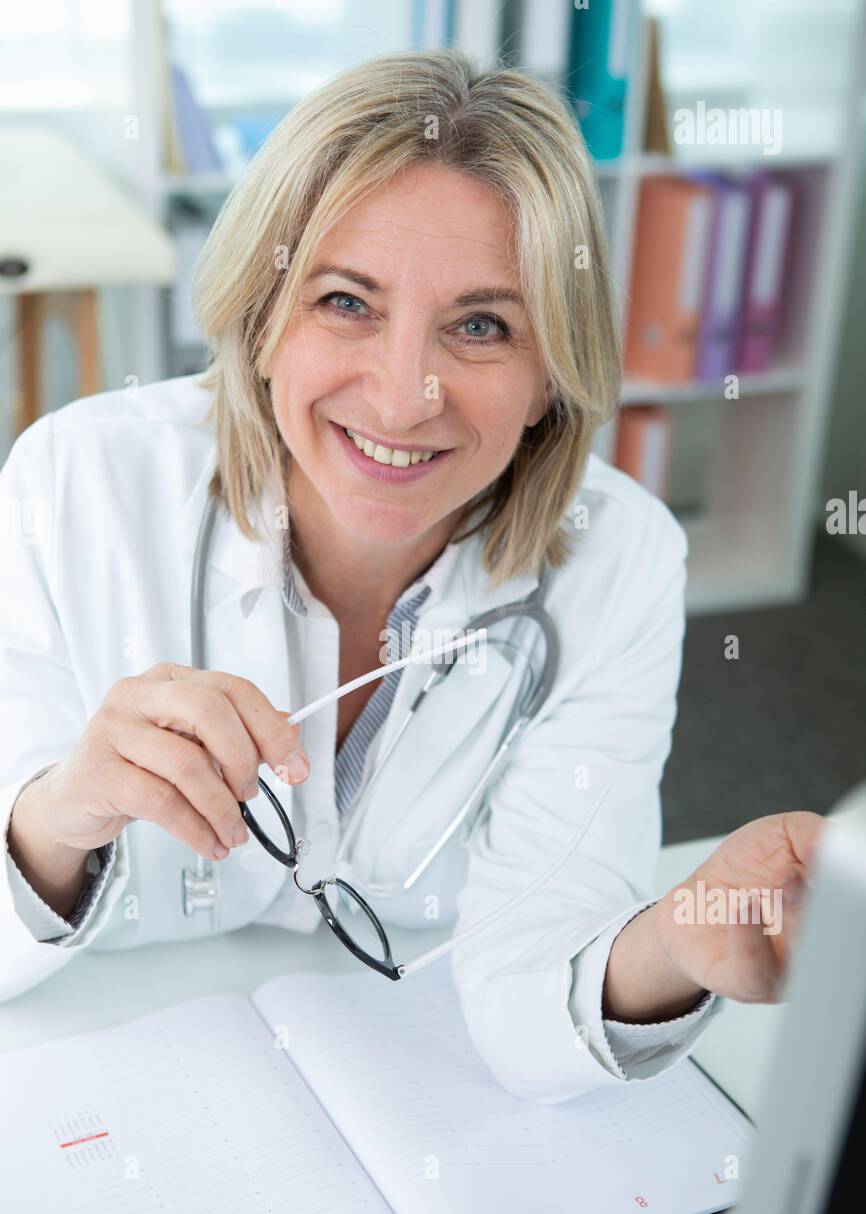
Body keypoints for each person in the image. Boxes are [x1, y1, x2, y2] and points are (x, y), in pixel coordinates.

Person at [0, 50, 821, 1103]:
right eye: (345, 302)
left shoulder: (620, 560)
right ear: (261, 319)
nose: (399, 399)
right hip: (95, 1079)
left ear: (546, 377)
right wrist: (59, 816)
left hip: (409, 1080)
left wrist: (679, 939)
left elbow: (539, 956)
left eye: (480, 326)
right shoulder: (73, 484)